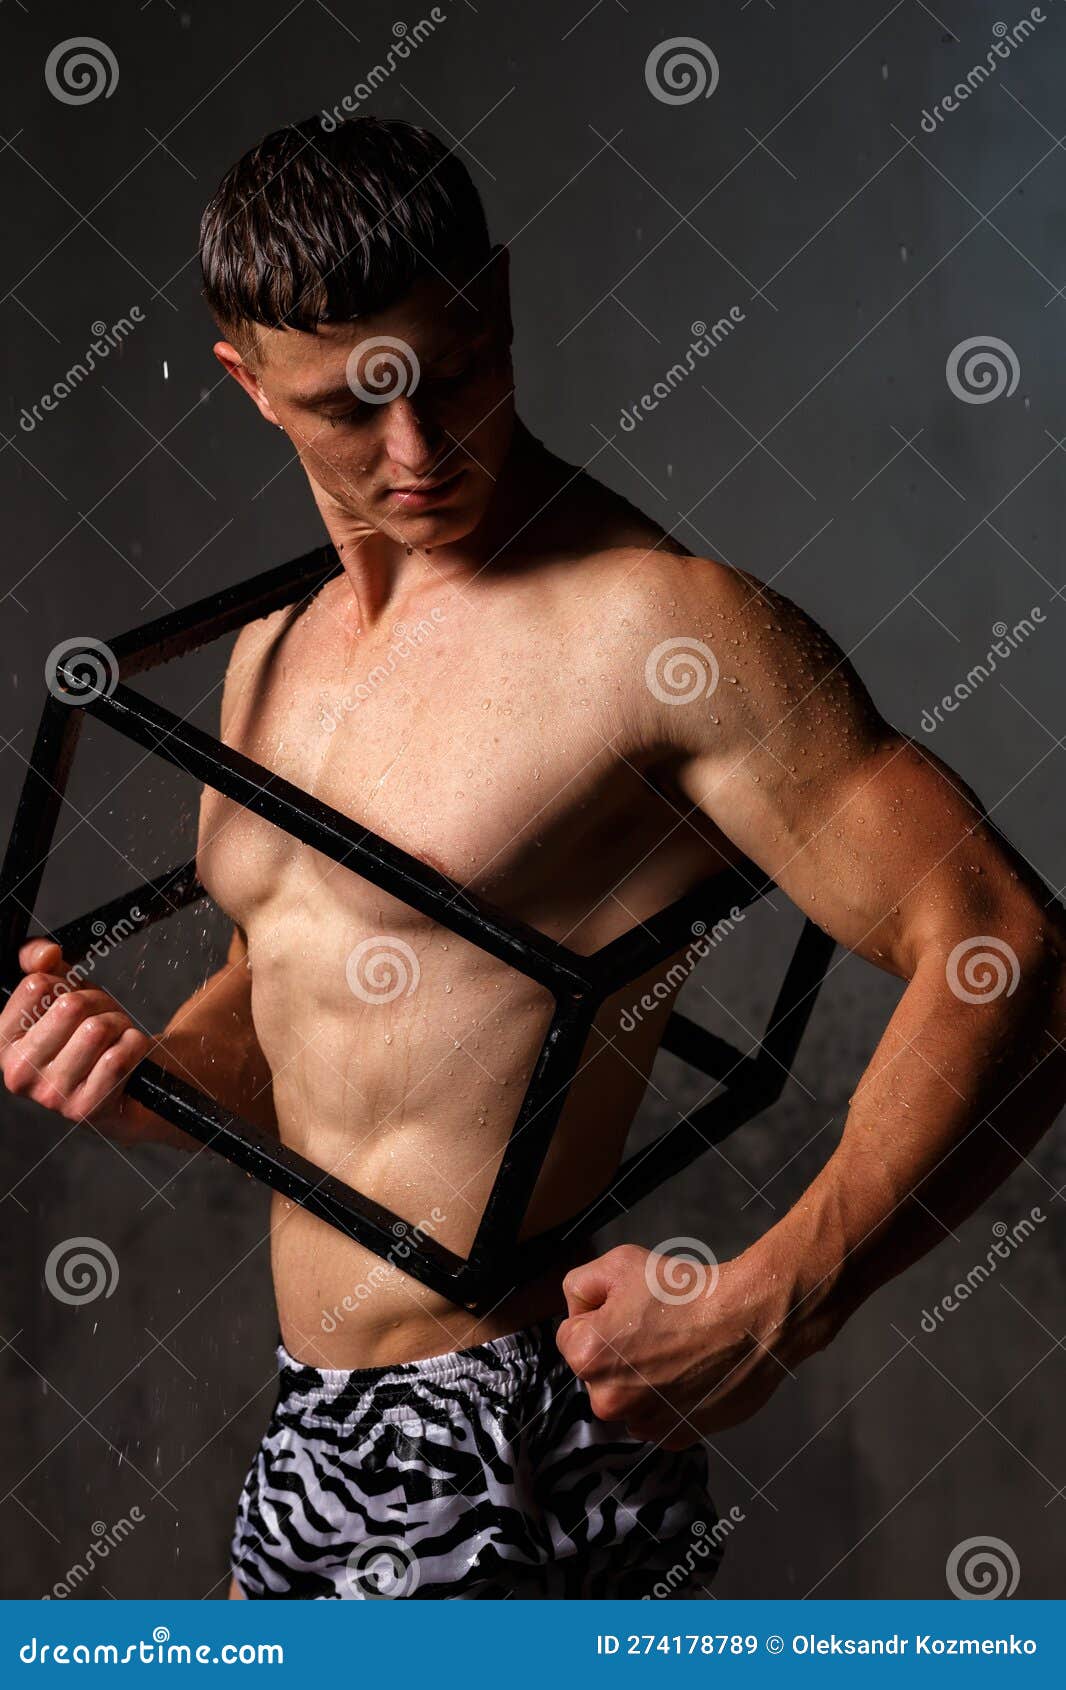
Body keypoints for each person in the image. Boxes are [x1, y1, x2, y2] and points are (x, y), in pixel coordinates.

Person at [3, 116, 1064, 1601]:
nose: (417, 451)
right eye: (347, 407)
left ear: (497, 299)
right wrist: (141, 1075)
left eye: (450, 372)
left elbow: (1007, 944)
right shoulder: (267, 657)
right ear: (245, 382)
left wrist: (786, 1294)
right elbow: (309, 1031)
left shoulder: (657, 629)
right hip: (314, 1433)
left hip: (509, 1439)